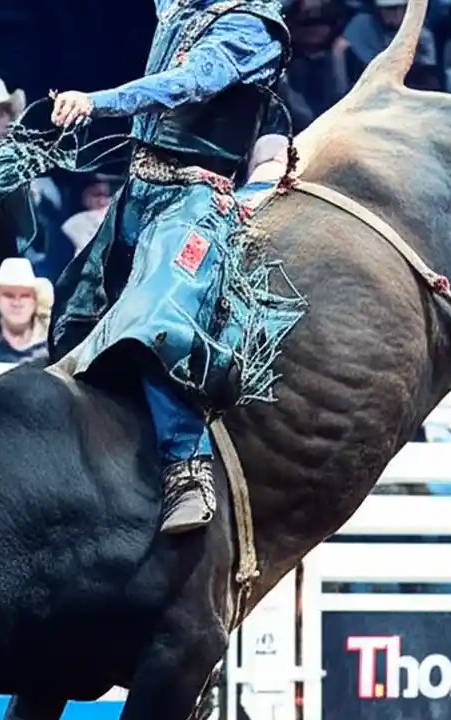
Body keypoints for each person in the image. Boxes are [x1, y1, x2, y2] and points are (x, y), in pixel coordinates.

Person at [44, 0, 291, 534]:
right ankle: (87, 448)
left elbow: (190, 82)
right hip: (140, 191)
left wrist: (96, 102)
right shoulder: (181, 9)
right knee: (76, 307)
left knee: (160, 315)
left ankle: (188, 467)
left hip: (195, 197)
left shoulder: (253, 27)